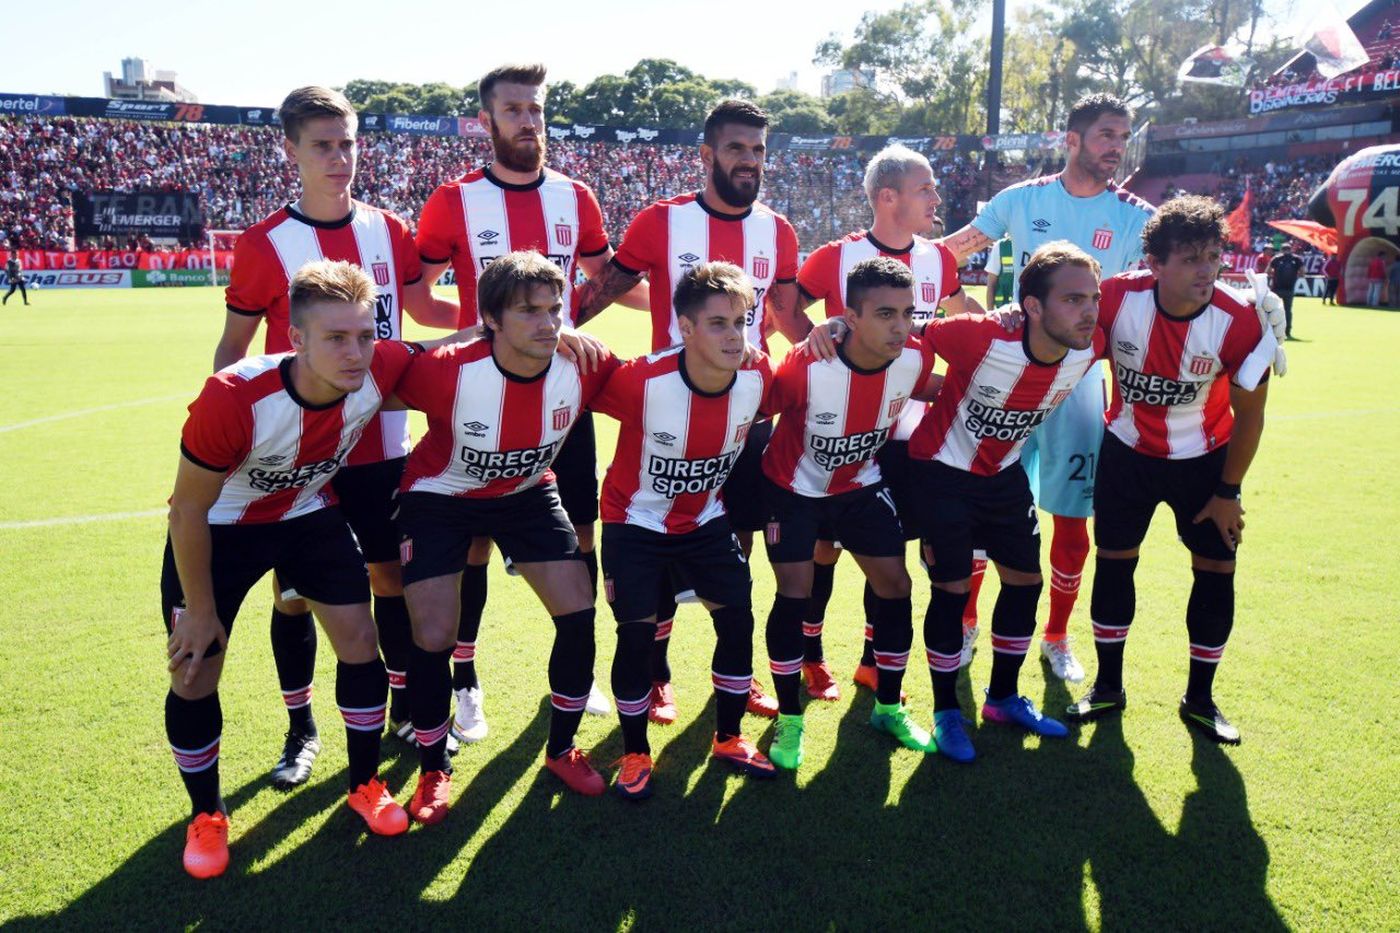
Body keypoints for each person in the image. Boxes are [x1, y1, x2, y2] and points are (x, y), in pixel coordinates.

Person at [215, 86, 460, 789]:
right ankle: (300, 728)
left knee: (388, 578)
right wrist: (236, 436)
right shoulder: (265, 244)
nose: (339, 157)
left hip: (381, 444)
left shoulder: (389, 228)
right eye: (322, 144)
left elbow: (419, 308)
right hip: (297, 457)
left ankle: (402, 706)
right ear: (290, 150)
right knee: (294, 596)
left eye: (348, 142)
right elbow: (234, 348)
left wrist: (492, 319)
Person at [163, 260, 424, 878]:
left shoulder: (377, 368)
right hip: (222, 527)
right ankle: (206, 815)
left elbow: (445, 352)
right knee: (195, 669)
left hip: (307, 514)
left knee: (362, 641)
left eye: (364, 335)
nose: (356, 352)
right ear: (296, 338)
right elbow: (189, 510)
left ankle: (365, 784)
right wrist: (199, 611)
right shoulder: (232, 397)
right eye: (336, 338)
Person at [574, 98, 810, 724]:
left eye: (758, 150)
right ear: (707, 155)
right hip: (666, 418)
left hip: (743, 419)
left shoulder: (778, 230)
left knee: (733, 547)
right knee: (661, 549)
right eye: (736, 148)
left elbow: (784, 315)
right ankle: (655, 678)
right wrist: (550, 328)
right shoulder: (662, 221)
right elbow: (609, 287)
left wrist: (832, 346)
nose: (749, 161)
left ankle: (734, 673)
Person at [415, 63, 628, 743]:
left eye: (535, 108)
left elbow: (606, 280)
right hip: (480, 394)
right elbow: (418, 297)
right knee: (472, 539)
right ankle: (467, 681)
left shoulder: (577, 196)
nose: (527, 121)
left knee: (582, 529)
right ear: (487, 120)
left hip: (563, 395)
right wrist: (483, 338)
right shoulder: (453, 201)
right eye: (513, 110)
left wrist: (714, 320)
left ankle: (577, 676)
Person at [392, 251, 616, 824]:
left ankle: (562, 749)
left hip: (526, 494)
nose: (549, 324)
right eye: (528, 312)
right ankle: (432, 770)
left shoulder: (584, 364)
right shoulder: (447, 367)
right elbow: (367, 375)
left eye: (554, 308)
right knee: (435, 632)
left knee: (578, 608)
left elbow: (669, 379)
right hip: (440, 499)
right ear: (490, 318)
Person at [941, 93, 1155, 682]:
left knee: (1071, 518)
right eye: (1106, 134)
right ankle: (964, 624)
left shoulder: (1137, 217)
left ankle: (1057, 636)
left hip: (1078, 384)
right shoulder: (1019, 200)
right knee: (982, 505)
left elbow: (1170, 282)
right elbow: (948, 252)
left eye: (1123, 136)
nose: (1116, 147)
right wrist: (955, 298)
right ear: (1073, 140)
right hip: (1005, 380)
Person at [1065, 196, 1276, 745]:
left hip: (1204, 465)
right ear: (1155, 263)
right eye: (1188, 258)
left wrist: (1228, 491)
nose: (1205, 269)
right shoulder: (1115, 298)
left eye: (1212, 255)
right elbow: (1060, 340)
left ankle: (1201, 699)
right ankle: (1108, 686)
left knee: (1215, 570)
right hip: (1127, 455)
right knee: (1113, 565)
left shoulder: (1239, 320)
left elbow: (1251, 417)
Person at [904, 241, 1105, 762]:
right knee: (950, 590)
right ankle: (948, 712)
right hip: (941, 473)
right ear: (1032, 306)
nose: (1087, 312)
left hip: (1003, 474)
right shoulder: (980, 335)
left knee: (1025, 582)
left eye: (1093, 298)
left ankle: (1001, 698)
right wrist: (834, 329)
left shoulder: (1091, 345)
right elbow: (901, 337)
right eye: (1072, 300)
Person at [592, 261, 777, 798]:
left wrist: (832, 332)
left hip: (706, 520)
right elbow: (575, 386)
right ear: (686, 328)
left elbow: (804, 386)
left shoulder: (758, 375)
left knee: (738, 620)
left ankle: (728, 736)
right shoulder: (639, 381)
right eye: (717, 323)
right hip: (635, 522)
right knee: (635, 633)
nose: (733, 335)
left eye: (741, 321)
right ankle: (634, 751)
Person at [792, 143, 969, 698]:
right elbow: (784, 305)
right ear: (887, 197)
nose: (936, 198)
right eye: (926, 189)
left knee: (888, 547)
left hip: (907, 430)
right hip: (837, 433)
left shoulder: (939, 259)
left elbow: (965, 319)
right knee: (824, 549)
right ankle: (811, 653)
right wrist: (813, 344)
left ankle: (872, 658)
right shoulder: (834, 257)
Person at [761, 257, 943, 766]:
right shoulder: (806, 365)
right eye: (885, 314)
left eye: (907, 313)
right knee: (794, 594)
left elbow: (932, 385)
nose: (900, 327)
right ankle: (790, 719)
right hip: (793, 490)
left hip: (860, 485)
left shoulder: (913, 357)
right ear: (850, 317)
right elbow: (754, 407)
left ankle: (887, 706)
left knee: (897, 586)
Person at [1265, 241, 1304, 338]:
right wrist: (1295, 276)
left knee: (1272, 310)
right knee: (1288, 311)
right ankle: (1287, 331)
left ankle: (1271, 331)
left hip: (1276, 289)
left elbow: (1267, 271)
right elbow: (1303, 272)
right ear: (1290, 249)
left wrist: (1275, 274)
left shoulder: (1276, 259)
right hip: (1289, 289)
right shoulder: (1296, 259)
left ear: (1282, 250)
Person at [985, 237, 1015, 311]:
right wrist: (990, 313)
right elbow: (991, 284)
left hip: (1032, 312)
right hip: (1005, 310)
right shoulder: (1001, 246)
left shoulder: (1036, 242)